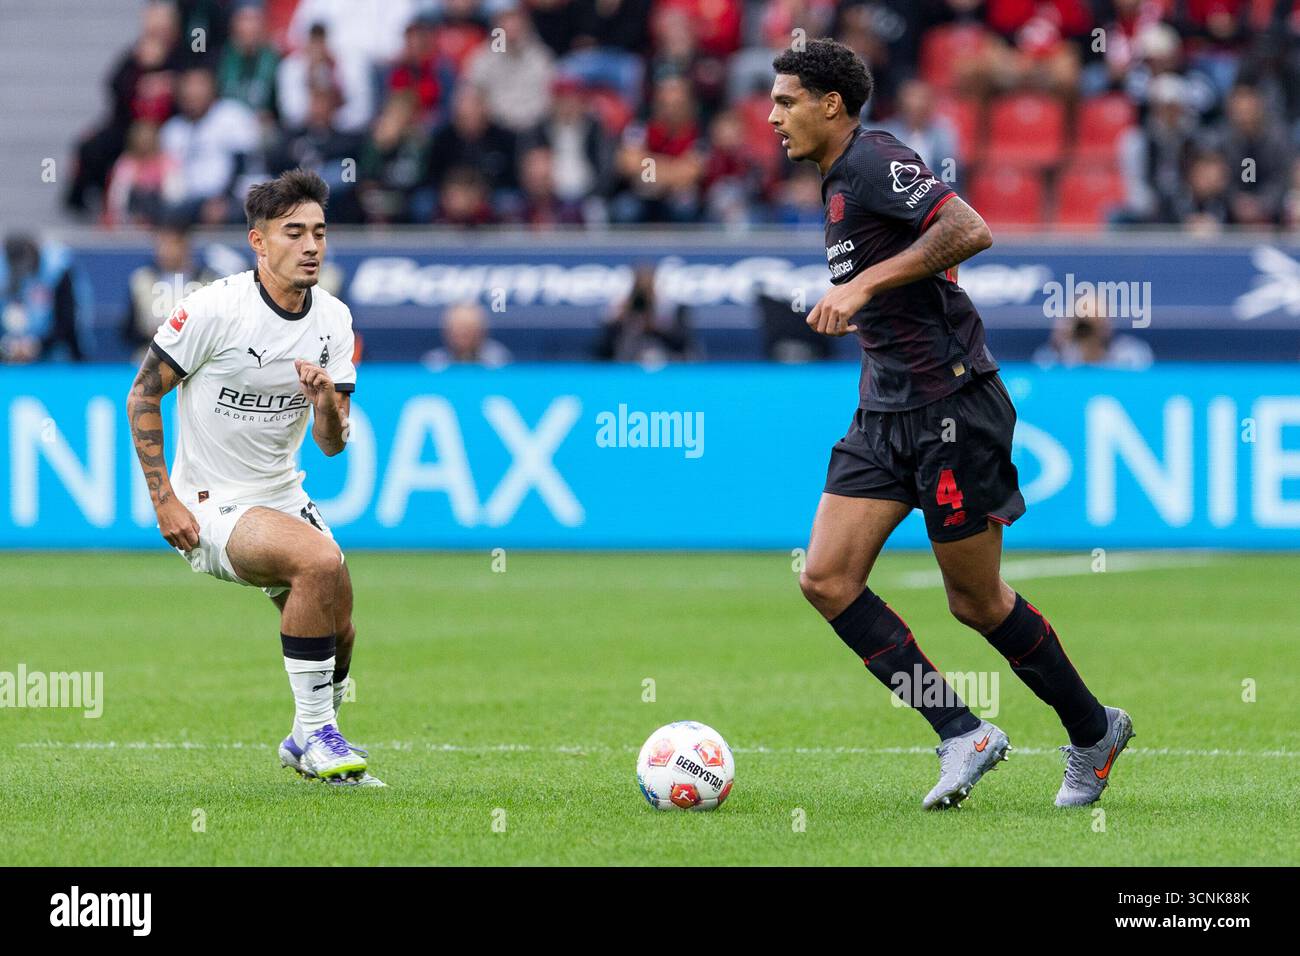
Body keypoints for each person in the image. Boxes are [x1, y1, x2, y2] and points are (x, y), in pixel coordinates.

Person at [769, 39, 1133, 810]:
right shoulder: (837, 184)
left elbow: (968, 227)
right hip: (882, 411)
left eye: (786, 101)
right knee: (826, 578)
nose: (772, 117)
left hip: (950, 407)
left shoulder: (875, 159)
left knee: (975, 601)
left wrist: (865, 284)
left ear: (831, 104)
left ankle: (1093, 728)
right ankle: (962, 732)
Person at [124, 169, 382, 787]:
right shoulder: (214, 309)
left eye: (320, 232)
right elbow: (141, 396)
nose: (312, 246)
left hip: (283, 496)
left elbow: (331, 445)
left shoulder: (335, 322)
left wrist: (325, 403)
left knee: (341, 627)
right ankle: (320, 734)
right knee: (317, 563)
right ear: (258, 242)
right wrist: (165, 501)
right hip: (211, 505)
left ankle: (304, 738)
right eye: (294, 233)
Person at [422, 302, 513, 370]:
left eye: (468, 329)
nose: (463, 334)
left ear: (481, 331)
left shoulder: (498, 361)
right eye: (458, 329)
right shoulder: (434, 363)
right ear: (447, 332)